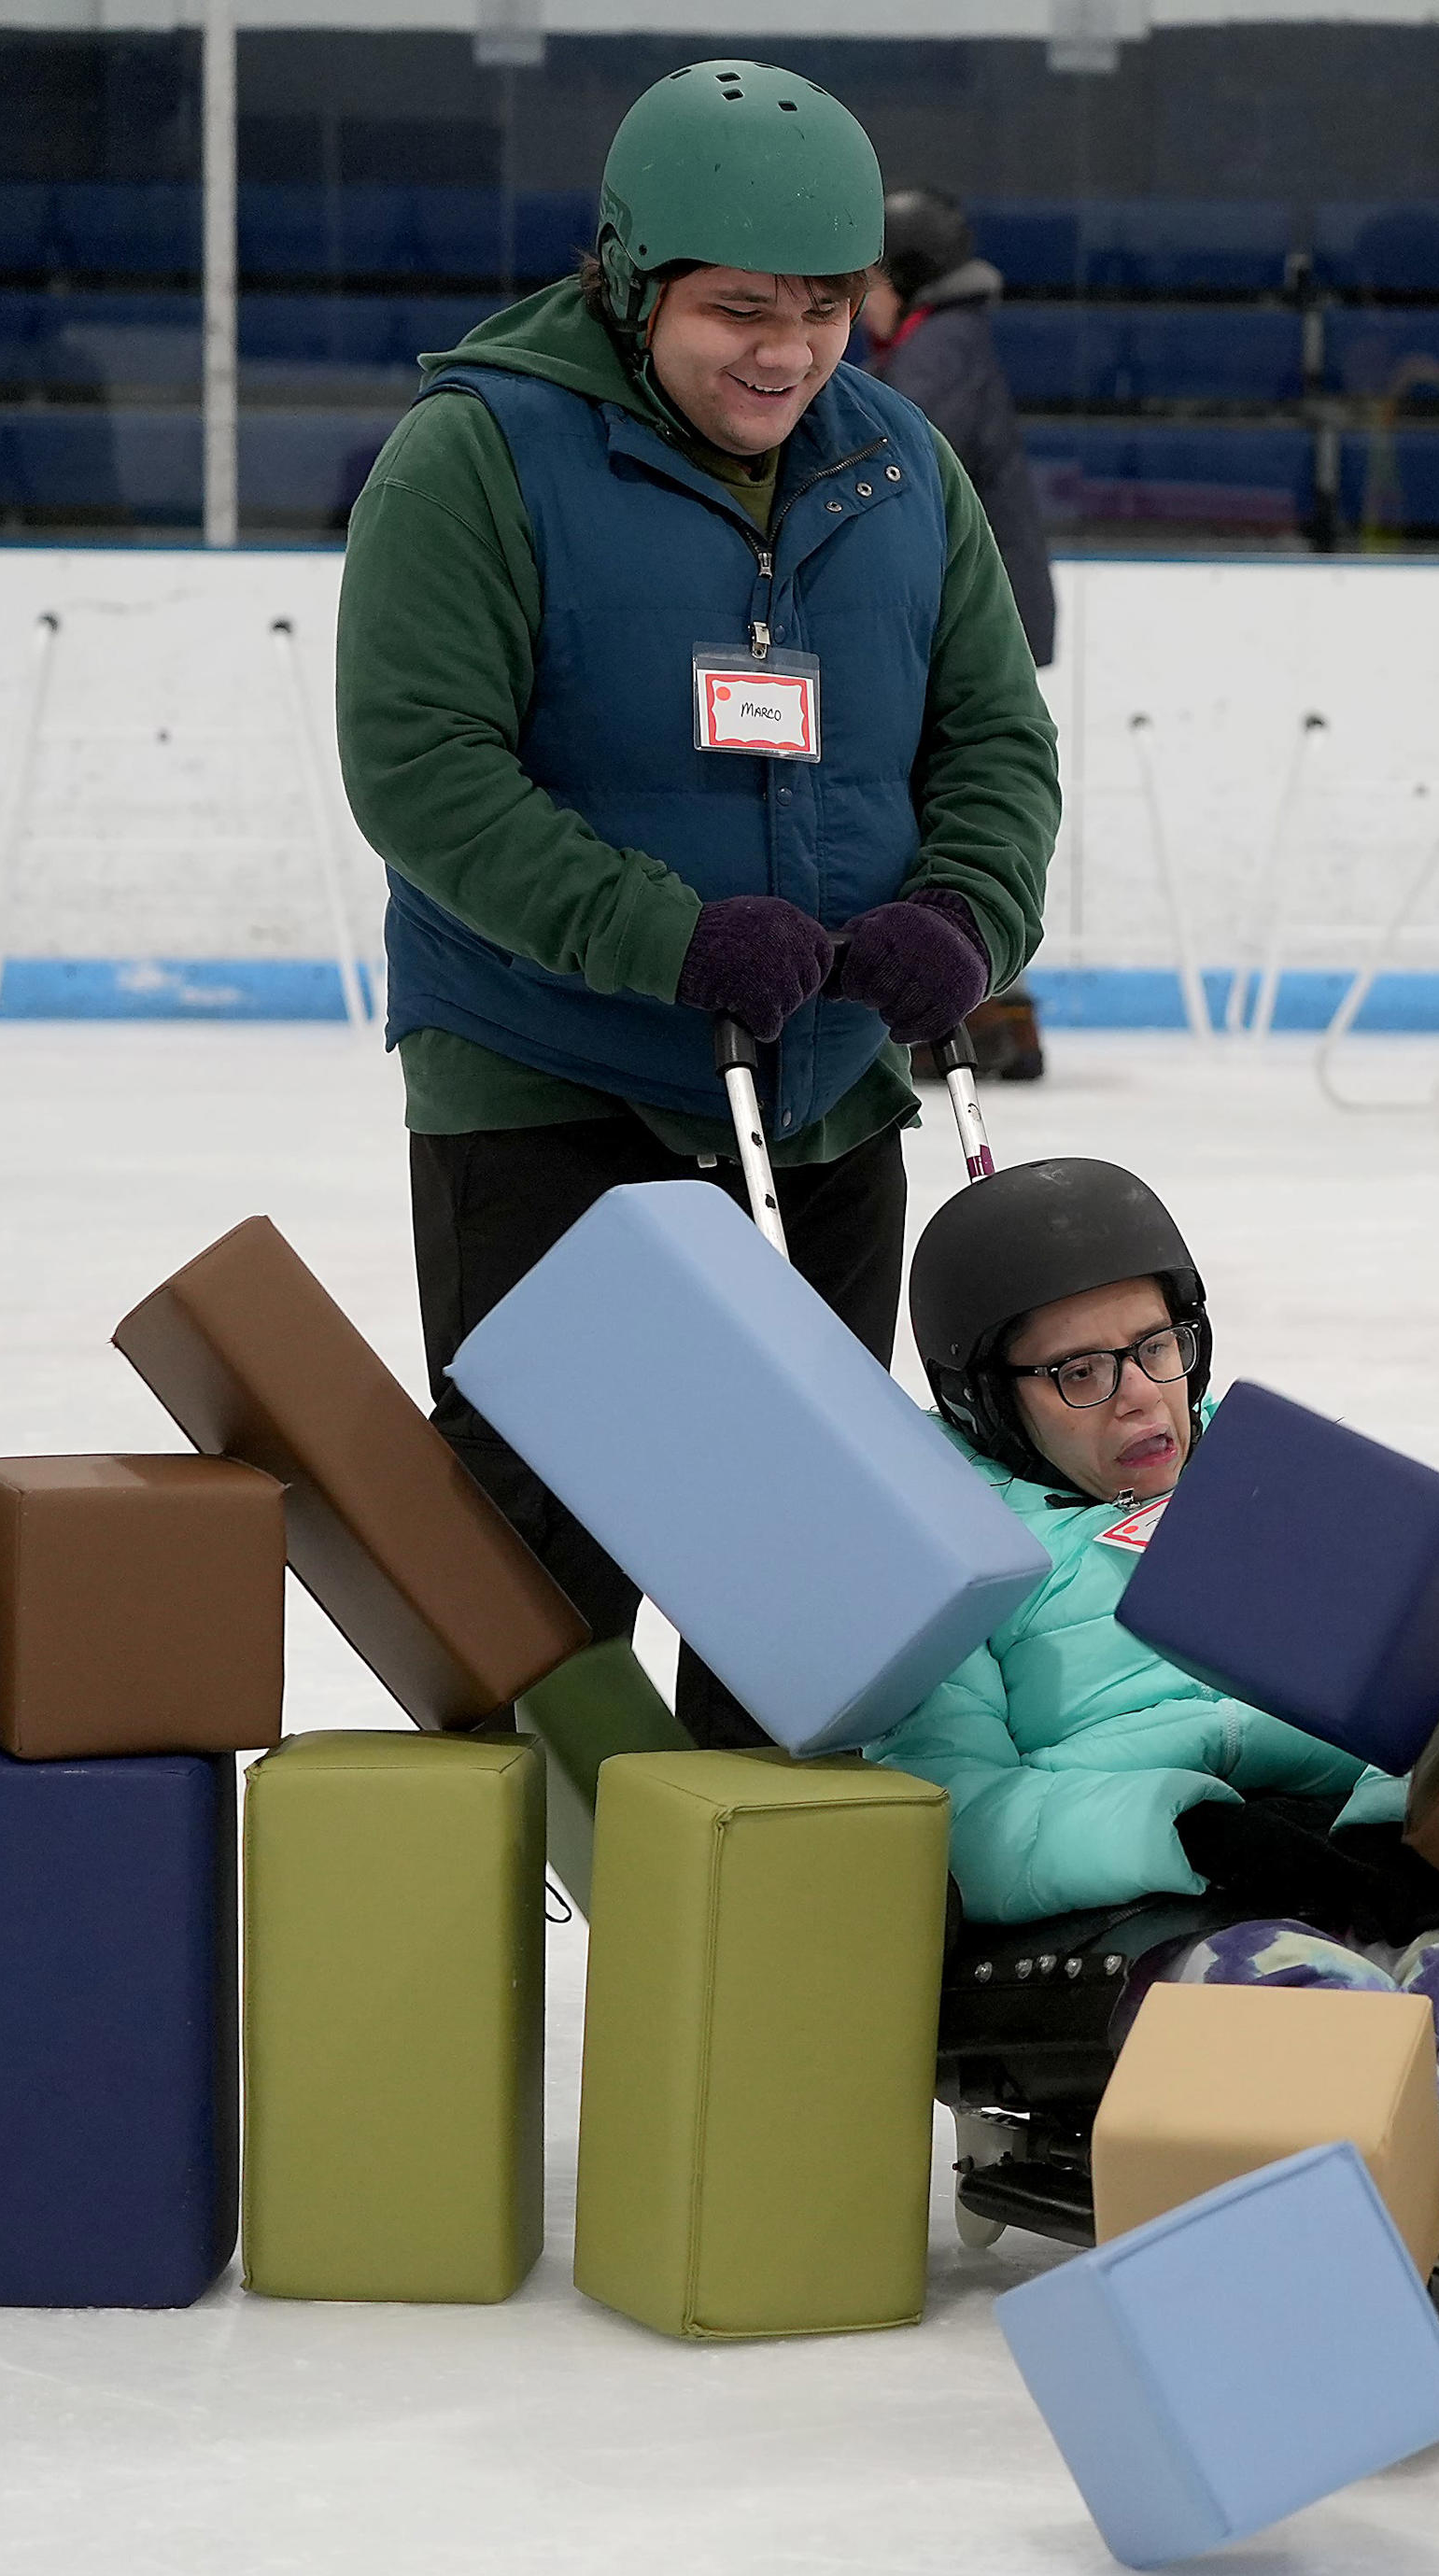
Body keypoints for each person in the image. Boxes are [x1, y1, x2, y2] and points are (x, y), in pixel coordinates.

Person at [337, 63, 1055, 1754]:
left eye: (824, 309)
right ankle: (488, 1916)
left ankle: (738, 1928)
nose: (788, 353)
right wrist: (659, 935)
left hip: (822, 1102)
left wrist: (966, 913)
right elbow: (421, 766)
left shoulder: (897, 465)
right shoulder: (479, 454)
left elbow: (996, 736)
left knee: (794, 1567)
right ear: (627, 275)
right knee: (545, 1561)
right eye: (741, 310)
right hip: (551, 1090)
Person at [876, 1158, 1439, 2372]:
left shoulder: (1263, 1481)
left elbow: (1404, 1678)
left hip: (1318, 1839)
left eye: (1156, 1346)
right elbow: (965, 1813)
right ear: (984, 1399)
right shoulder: (955, 1554)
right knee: (1311, 1988)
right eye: (1078, 1372)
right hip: (1134, 1893)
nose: (1138, 1398)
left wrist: (1387, 1818)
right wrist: (1188, 1825)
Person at [863, 186, 1055, 670]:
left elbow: (891, 465)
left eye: (870, 284)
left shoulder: (939, 351)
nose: (861, 303)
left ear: (905, 280)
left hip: (976, 620)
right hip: (981, 608)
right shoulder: (942, 340)